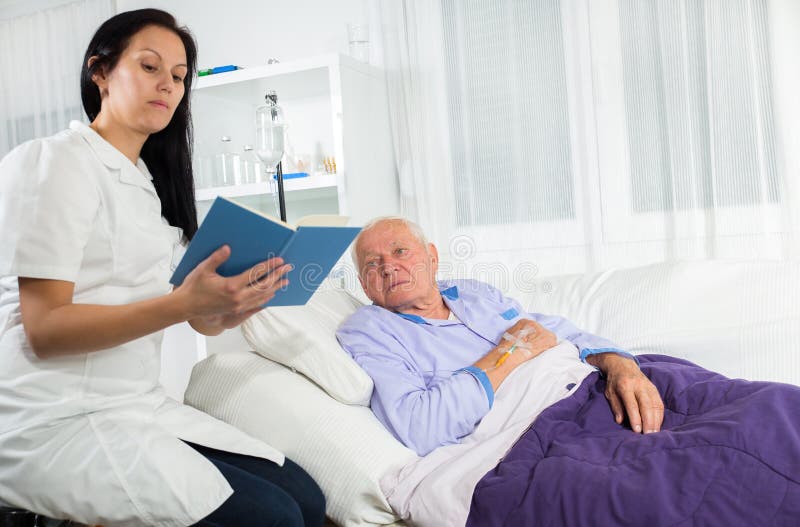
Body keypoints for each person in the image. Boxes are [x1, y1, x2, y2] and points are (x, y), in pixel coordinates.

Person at [0, 9, 325, 527]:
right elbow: (44, 330)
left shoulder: (148, 187)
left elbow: (194, 315)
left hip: (133, 405)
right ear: (99, 72)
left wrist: (225, 308)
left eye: (178, 77)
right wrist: (182, 305)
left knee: (308, 500)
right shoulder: (54, 163)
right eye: (150, 67)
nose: (168, 86)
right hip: (52, 417)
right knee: (273, 517)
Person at [336, 217, 665, 456]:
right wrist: (510, 353)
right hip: (544, 428)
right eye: (372, 263)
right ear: (366, 286)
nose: (389, 267)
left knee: (702, 395)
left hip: (595, 382)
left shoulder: (470, 291)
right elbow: (419, 427)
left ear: (432, 257)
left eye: (400, 251)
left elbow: (550, 329)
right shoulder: (369, 329)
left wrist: (620, 365)